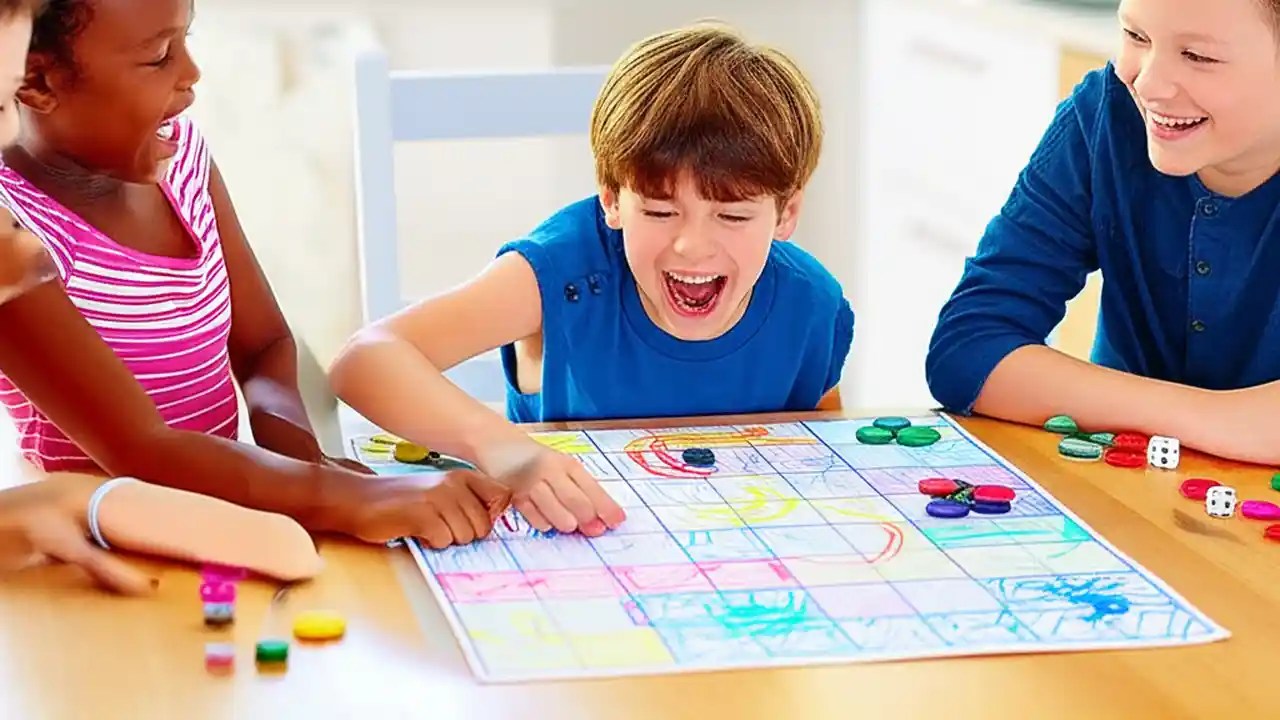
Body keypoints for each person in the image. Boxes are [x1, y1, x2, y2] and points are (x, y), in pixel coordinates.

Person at [0, 0, 511, 550]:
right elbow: (141, 449)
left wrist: (299, 457)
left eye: (186, 39)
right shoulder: (14, 236)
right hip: (93, 553)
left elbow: (264, 343)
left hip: (226, 525)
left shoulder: (183, 160)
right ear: (32, 80)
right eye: (158, 57)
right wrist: (342, 498)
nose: (192, 73)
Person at [330, 22, 855, 536]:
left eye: (733, 217)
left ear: (786, 214)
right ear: (611, 199)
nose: (692, 245)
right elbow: (364, 361)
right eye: (659, 211)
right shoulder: (561, 273)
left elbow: (819, 456)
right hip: (575, 557)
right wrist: (507, 452)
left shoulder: (813, 305)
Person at [926, 0, 1280, 465]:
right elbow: (969, 348)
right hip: (1123, 495)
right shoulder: (1103, 117)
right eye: (1136, 37)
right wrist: (1218, 418)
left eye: (1198, 57)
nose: (1148, 83)